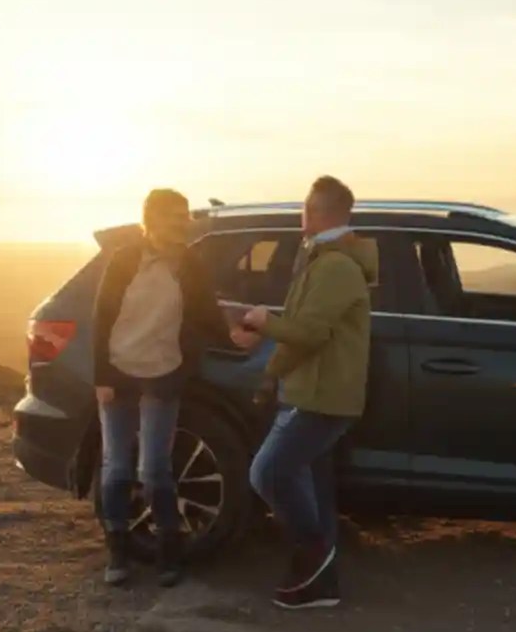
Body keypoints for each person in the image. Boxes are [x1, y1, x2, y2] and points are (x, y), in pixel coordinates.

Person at [233, 175, 376, 610]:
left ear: (317, 212)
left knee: (268, 473)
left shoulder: (334, 266)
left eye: (306, 207)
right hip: (308, 389)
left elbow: (308, 333)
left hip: (320, 397)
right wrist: (271, 375)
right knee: (314, 486)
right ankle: (321, 586)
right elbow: (301, 335)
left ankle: (313, 554)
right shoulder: (322, 259)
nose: (302, 213)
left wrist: (262, 320)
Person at [92, 188, 235, 587]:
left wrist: (235, 337)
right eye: (175, 216)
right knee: (117, 468)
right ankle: (118, 551)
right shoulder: (124, 260)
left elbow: (206, 314)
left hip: (163, 372)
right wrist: (101, 376)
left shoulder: (190, 265)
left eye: (185, 216)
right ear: (151, 220)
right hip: (119, 373)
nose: (183, 223)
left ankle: (168, 554)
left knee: (154, 470)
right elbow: (102, 317)